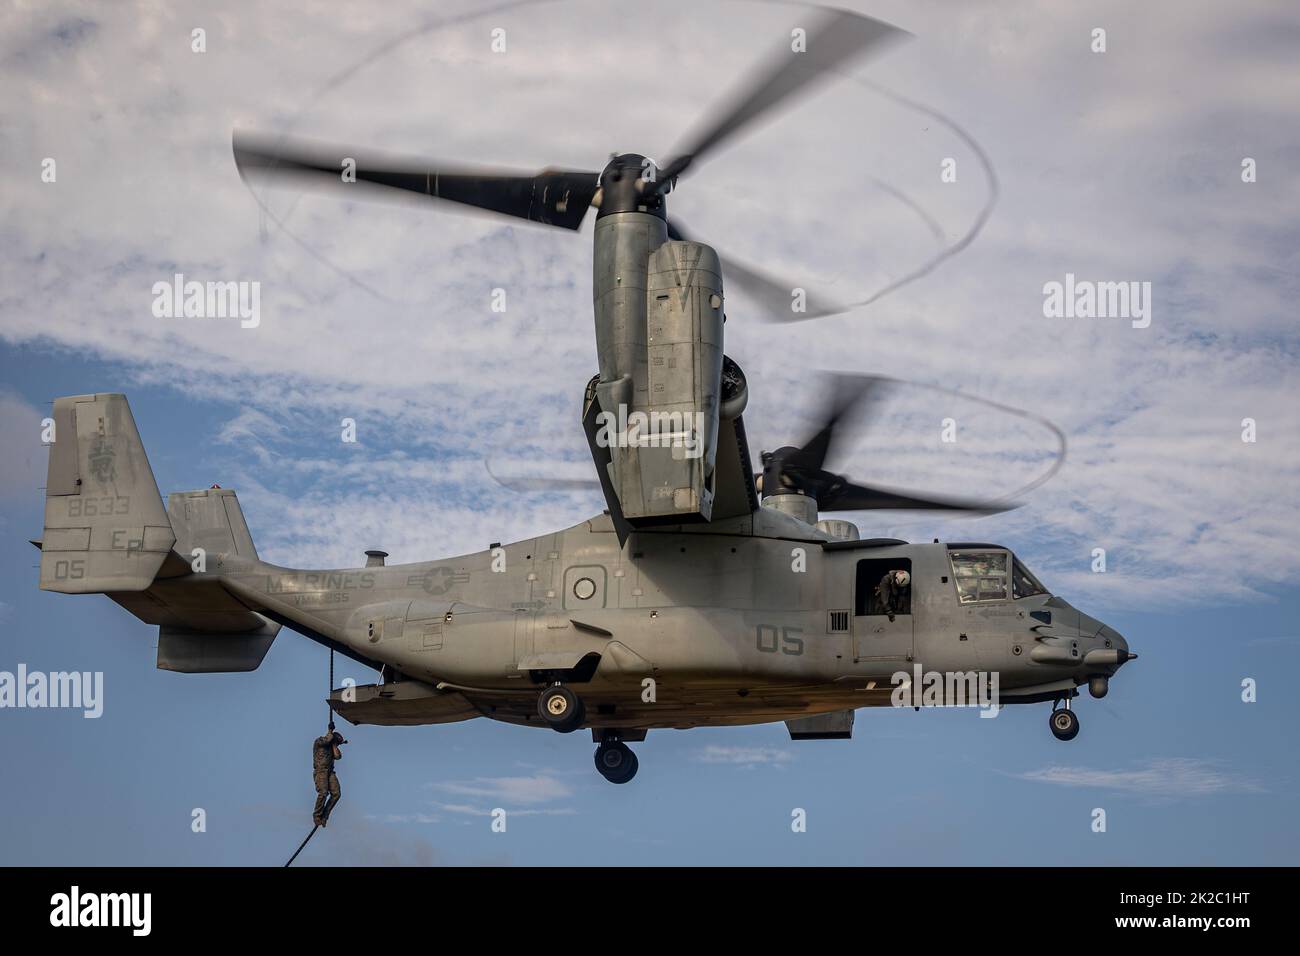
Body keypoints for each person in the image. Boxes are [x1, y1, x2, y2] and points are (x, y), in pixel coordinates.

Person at [312, 724, 346, 827]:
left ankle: (324, 816)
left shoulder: (332, 747)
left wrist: (334, 745)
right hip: (320, 771)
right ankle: (317, 816)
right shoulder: (319, 741)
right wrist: (330, 731)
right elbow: (327, 740)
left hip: (330, 772)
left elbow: (338, 756)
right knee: (323, 793)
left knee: (336, 793)